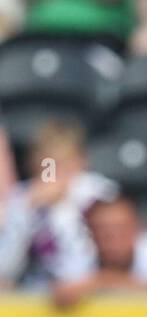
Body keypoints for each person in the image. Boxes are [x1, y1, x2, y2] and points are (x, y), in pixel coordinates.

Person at [0, 120, 117, 291]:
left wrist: (66, 207)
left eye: (65, 164)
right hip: (36, 295)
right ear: (33, 164)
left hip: (94, 291)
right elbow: (5, 268)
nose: (55, 175)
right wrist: (25, 210)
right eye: (48, 165)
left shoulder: (101, 193)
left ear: (81, 162)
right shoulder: (20, 199)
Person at [50, 193, 147, 308]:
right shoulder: (75, 258)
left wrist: (102, 282)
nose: (113, 238)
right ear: (90, 233)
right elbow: (62, 293)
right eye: (103, 230)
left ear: (139, 228)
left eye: (121, 229)